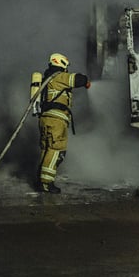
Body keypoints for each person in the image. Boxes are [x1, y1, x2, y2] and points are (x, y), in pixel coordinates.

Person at [33, 52, 90, 193]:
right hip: (56, 121)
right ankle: (46, 183)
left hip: (45, 119)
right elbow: (78, 79)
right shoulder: (59, 77)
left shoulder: (47, 79)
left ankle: (40, 181)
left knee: (47, 149)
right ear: (61, 64)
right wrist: (86, 80)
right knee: (56, 150)